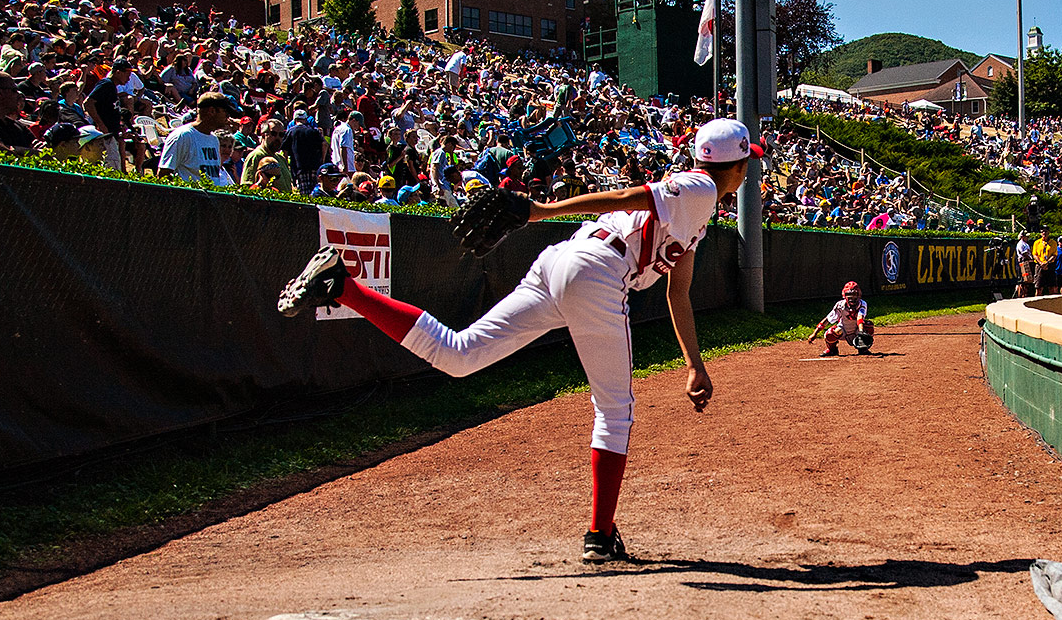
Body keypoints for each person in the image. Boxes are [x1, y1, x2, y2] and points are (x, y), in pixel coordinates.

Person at [275, 117, 762, 564]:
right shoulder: (700, 185)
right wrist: (540, 210)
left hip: (563, 264)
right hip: (598, 269)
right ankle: (599, 534)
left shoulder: (697, 212)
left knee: (458, 355)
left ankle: (343, 287)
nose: (748, 173)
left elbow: (679, 291)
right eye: (748, 163)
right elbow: (628, 197)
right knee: (615, 409)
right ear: (735, 167)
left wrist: (694, 362)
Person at [158, 91, 236, 183]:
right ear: (212, 111)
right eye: (225, 112)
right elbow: (164, 174)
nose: (228, 117)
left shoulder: (214, 139)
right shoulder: (183, 136)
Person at [807, 281, 875, 357]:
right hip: (843, 330)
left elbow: (860, 318)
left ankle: (863, 348)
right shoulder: (840, 305)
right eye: (849, 295)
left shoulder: (862, 304)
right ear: (844, 295)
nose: (852, 298)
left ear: (858, 295)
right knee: (830, 334)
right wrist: (815, 333)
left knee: (869, 326)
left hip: (857, 330)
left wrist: (861, 332)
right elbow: (828, 319)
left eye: (854, 295)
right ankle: (832, 350)